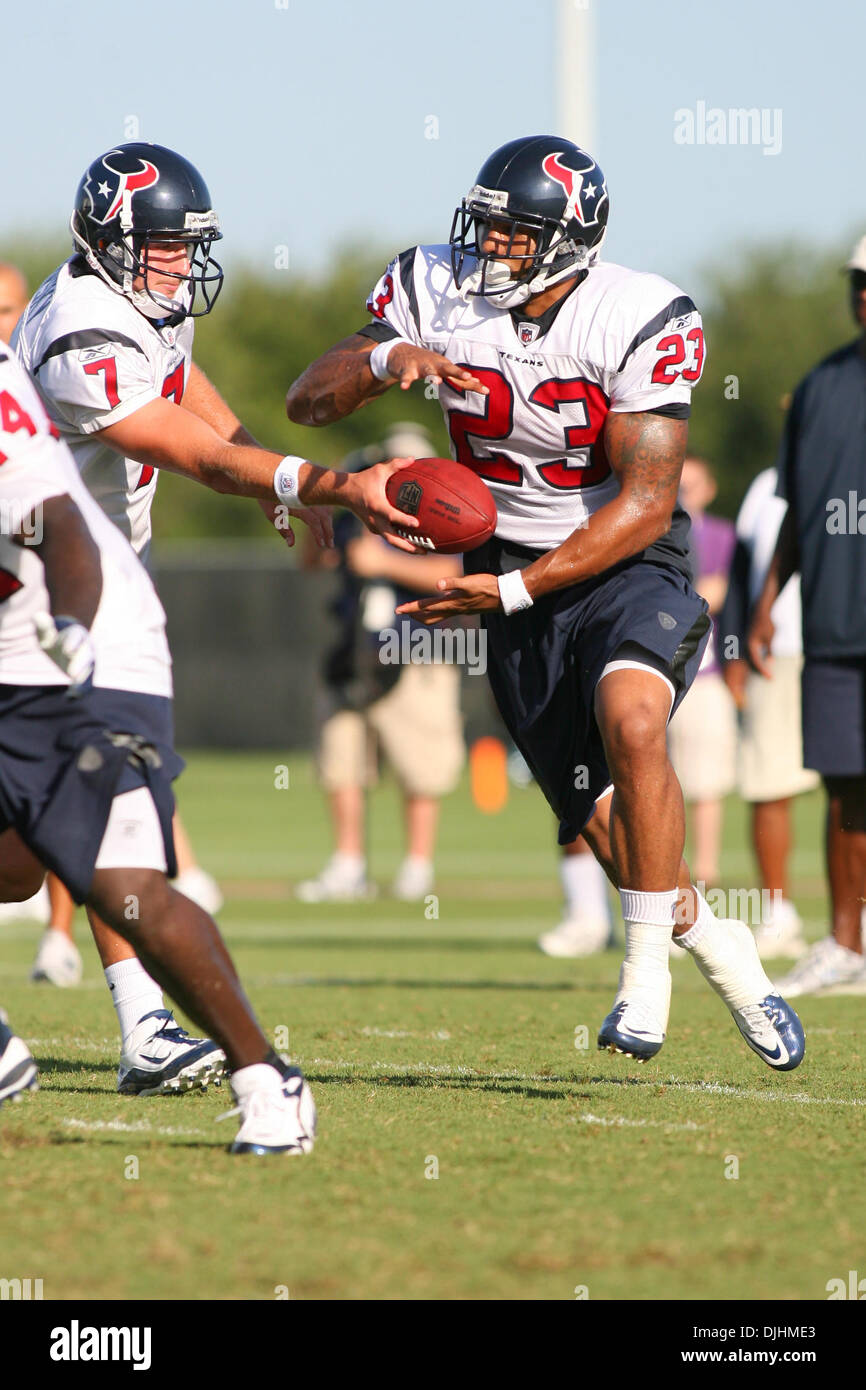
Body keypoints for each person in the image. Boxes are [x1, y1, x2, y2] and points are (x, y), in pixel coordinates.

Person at [286, 134, 804, 1069]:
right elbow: (306, 402)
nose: (487, 247)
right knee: (607, 825)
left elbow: (647, 504)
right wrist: (385, 356)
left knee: (634, 717)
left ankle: (642, 980)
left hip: (620, 555)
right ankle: (723, 951)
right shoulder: (432, 284)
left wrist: (513, 589)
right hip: (507, 559)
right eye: (483, 226)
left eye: (513, 234)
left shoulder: (640, 313)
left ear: (568, 240)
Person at [12, 140, 419, 1092]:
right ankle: (153, 1028)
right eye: (164, 246)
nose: (181, 264)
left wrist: (268, 461)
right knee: (64, 840)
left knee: (84, 823)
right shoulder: (79, 330)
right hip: (45, 595)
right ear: (111, 240)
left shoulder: (138, 307)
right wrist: (321, 480)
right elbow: (183, 452)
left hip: (98, 584)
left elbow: (189, 395)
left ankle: (144, 1026)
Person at [0, 343, 315, 1152]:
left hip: (78, 644)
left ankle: (264, 1078)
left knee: (121, 884)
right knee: (13, 870)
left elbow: (64, 530)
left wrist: (71, 635)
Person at [748, 238, 866, 997]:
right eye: (858, 281)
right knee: (844, 786)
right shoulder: (820, 385)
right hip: (832, 620)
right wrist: (764, 603)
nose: (865, 294)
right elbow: (794, 512)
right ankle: (847, 946)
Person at [298, 424, 465, 903]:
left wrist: (386, 564)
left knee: (420, 763)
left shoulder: (444, 513)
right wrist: (329, 501)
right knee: (343, 758)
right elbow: (316, 561)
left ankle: (418, 865)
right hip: (353, 648)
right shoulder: (361, 511)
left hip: (416, 649)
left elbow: (452, 576)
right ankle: (348, 864)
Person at [721, 466, 819, 958]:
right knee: (768, 785)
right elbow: (742, 574)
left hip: (841, 648)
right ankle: (779, 913)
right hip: (772, 654)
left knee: (852, 787)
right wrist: (733, 652)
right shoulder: (764, 485)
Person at [666, 456, 737, 885]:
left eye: (693, 485)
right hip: (658, 674)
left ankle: (704, 878)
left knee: (705, 783)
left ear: (709, 489)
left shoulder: (724, 536)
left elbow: (717, 592)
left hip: (705, 674)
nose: (685, 492)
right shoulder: (651, 531)